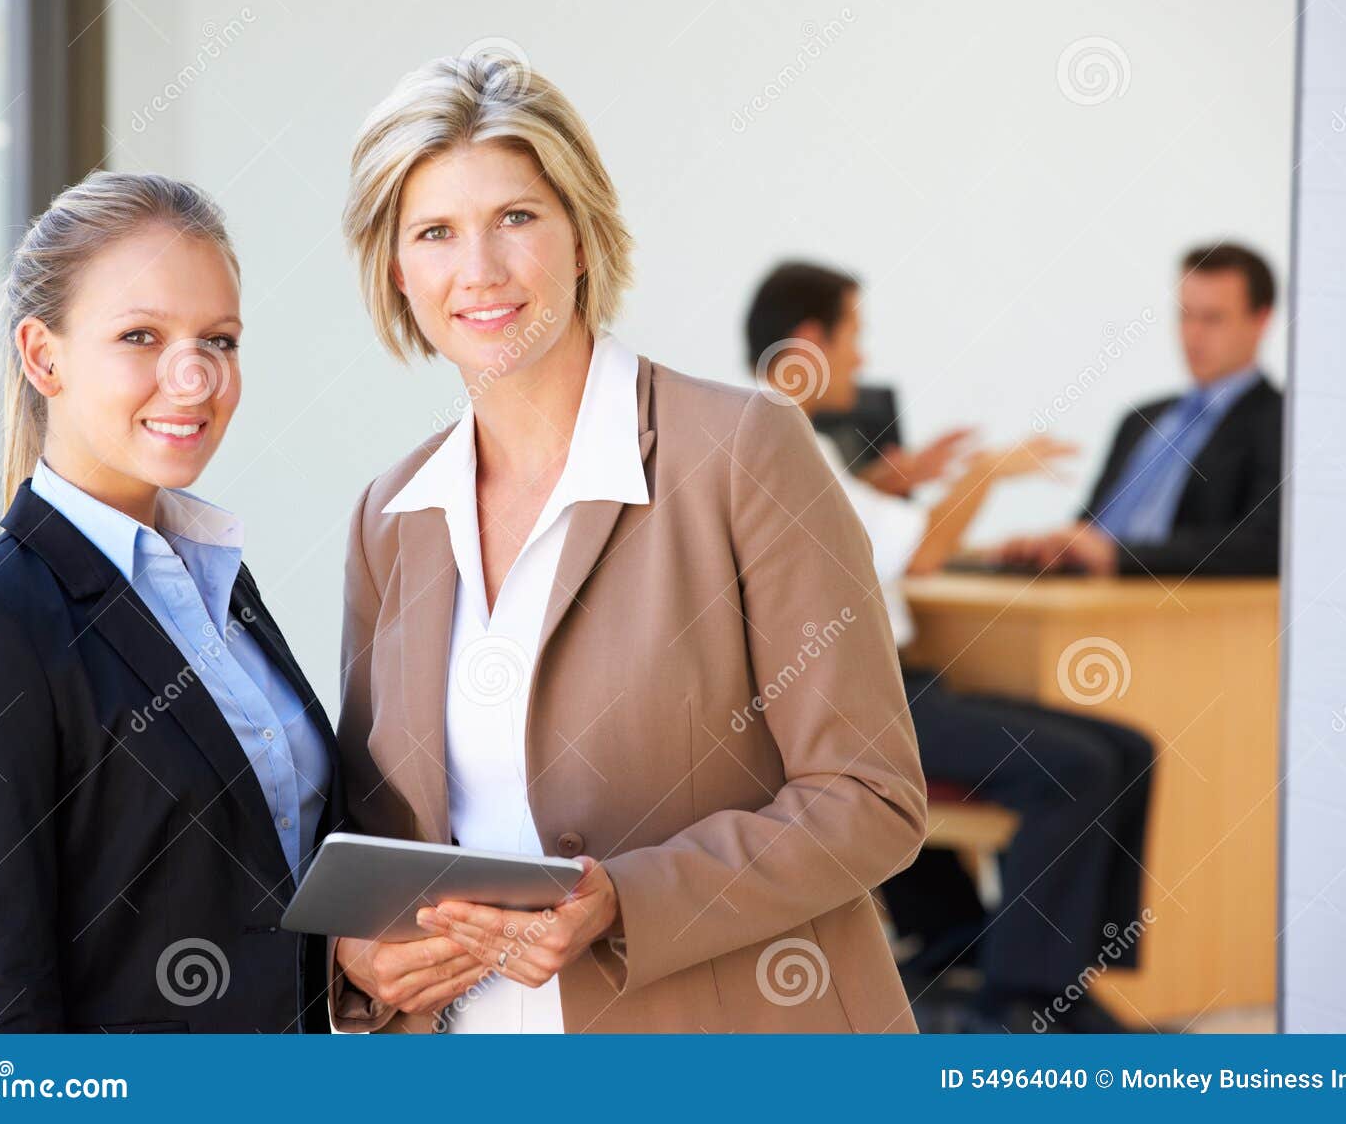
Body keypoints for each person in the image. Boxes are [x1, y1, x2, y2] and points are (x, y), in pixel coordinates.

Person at [328, 54, 926, 1034]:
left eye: (515, 217)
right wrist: (355, 954)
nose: (479, 269)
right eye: (435, 232)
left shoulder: (740, 450)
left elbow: (871, 794)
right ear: (398, 271)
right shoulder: (390, 516)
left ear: (580, 234)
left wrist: (626, 900)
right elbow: (376, 834)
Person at [0, 172, 341, 1033]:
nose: (194, 377)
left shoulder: (220, 583)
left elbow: (249, 906)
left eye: (219, 340)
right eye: (141, 336)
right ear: (43, 356)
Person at [747, 260, 1154, 1033]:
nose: (862, 357)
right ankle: (1022, 1001)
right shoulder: (781, 436)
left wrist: (892, 485)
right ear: (808, 342)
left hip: (888, 689)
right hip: (854, 710)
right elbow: (925, 551)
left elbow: (858, 536)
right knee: (1078, 768)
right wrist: (989, 471)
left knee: (1129, 748)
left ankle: (1044, 975)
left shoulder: (785, 437)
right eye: (854, 334)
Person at [995, 242, 1283, 576]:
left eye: (1212, 318)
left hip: (1165, 601)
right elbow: (1092, 527)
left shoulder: (1280, 421)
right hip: (1086, 592)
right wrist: (1053, 548)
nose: (1193, 335)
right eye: (1185, 315)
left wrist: (1118, 556)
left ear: (1261, 319)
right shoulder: (1141, 419)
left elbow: (1263, 544)